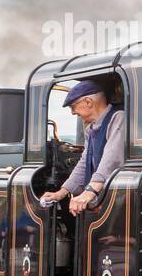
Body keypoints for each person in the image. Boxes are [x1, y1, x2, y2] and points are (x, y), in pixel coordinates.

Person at [39, 80, 124, 216]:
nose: (72, 112)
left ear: (88, 102)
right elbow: (84, 163)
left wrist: (90, 191)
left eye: (73, 106)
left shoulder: (118, 118)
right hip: (103, 196)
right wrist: (61, 193)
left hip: (120, 199)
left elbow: (112, 158)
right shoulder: (90, 129)